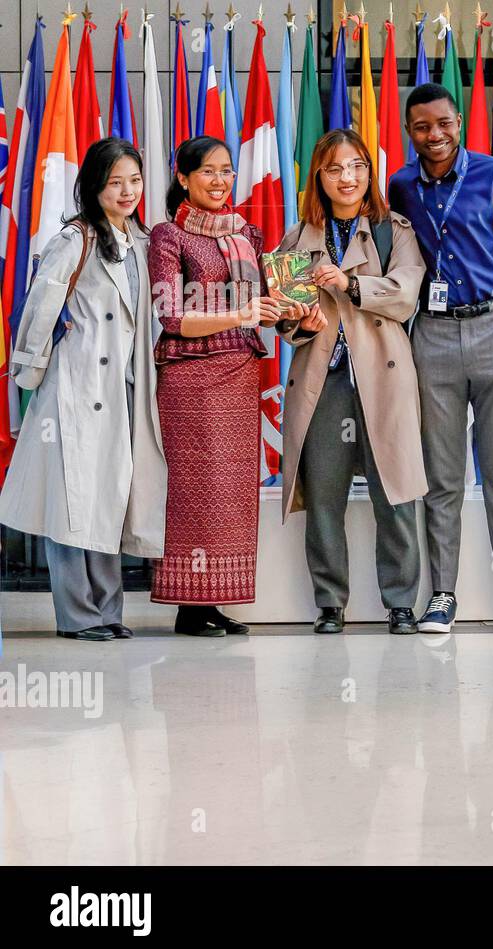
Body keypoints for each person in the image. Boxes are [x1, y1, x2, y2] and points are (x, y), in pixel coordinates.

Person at [387, 82, 493, 636]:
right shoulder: (401, 187)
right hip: (431, 338)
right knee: (443, 476)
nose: (435, 136)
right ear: (409, 131)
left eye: (444, 124)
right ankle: (442, 595)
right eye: (422, 127)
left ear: (459, 123)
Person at [0, 137, 167, 641]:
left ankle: (109, 611)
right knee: (74, 502)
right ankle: (79, 615)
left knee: (110, 498)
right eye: (114, 182)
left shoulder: (140, 241)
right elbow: (40, 306)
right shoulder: (75, 239)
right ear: (93, 187)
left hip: (123, 387)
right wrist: (30, 368)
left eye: (134, 181)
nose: (126, 191)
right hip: (77, 385)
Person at [148, 135, 306, 636]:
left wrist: (298, 309)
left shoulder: (250, 235)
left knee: (232, 491)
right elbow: (171, 316)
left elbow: (270, 302)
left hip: (239, 373)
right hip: (190, 378)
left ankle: (215, 602)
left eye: (227, 171)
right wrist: (241, 313)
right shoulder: (167, 237)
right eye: (209, 172)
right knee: (195, 489)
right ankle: (187, 607)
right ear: (183, 177)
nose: (220, 181)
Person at [275, 129, 427, 635]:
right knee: (324, 497)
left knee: (396, 492)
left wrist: (351, 284)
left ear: (369, 173)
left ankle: (401, 602)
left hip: (382, 376)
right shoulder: (296, 240)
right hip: (325, 380)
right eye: (336, 168)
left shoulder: (393, 230)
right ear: (318, 175)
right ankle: (329, 602)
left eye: (358, 166)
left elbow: (406, 293)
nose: (348, 178)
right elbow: (283, 318)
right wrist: (300, 322)